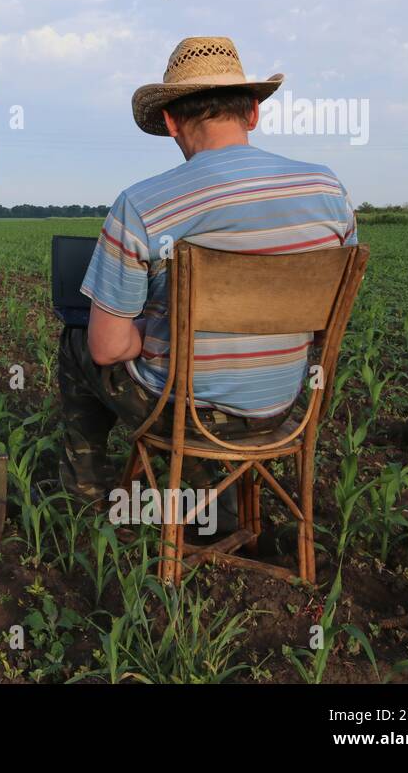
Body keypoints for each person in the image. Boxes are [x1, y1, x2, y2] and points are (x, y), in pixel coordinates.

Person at [59, 37, 359, 532]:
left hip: (188, 414)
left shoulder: (143, 205)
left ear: (172, 122)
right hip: (284, 410)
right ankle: (212, 498)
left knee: (77, 345)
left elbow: (109, 349)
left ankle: (87, 499)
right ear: (254, 114)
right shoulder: (329, 191)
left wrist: (149, 330)